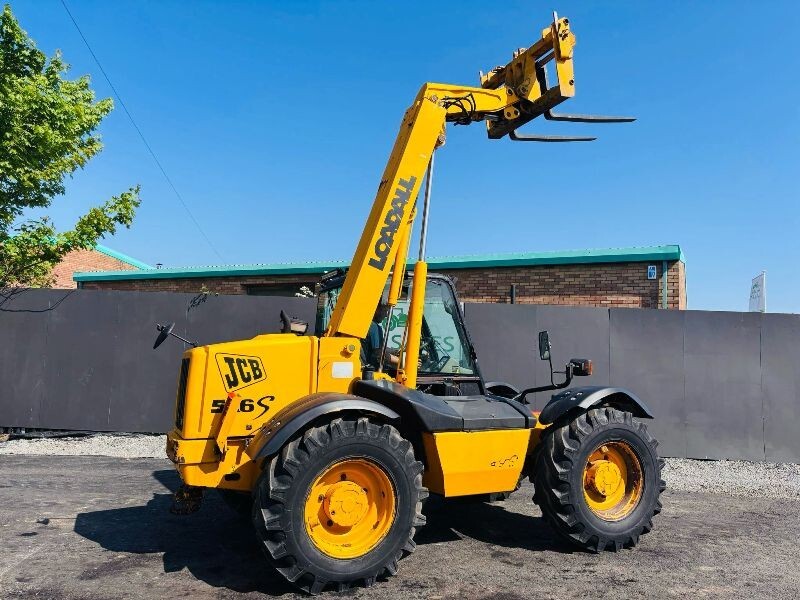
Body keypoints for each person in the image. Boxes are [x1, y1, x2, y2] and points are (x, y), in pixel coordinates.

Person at [361, 302, 398, 369]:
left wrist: (396, 352)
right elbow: (379, 354)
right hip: (368, 369)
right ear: (377, 310)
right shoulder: (373, 327)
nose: (386, 315)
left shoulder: (366, 325)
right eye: (385, 311)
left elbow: (379, 348)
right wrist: (401, 361)